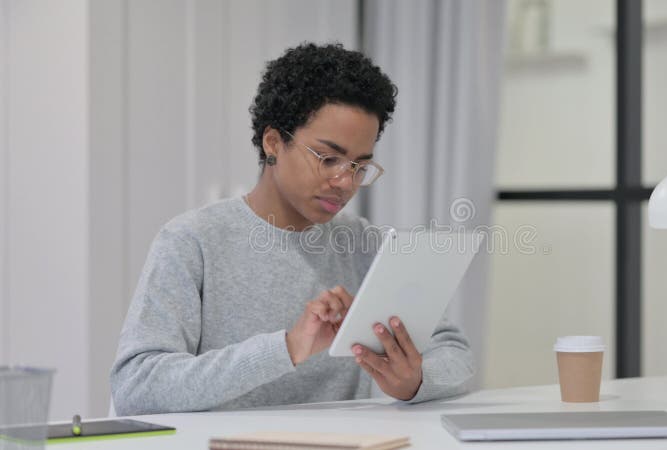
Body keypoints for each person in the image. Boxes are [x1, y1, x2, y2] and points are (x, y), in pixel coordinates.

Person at [110, 42, 474, 416]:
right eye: (328, 158)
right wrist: (287, 348)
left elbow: (455, 354)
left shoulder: (365, 245)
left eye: (358, 166)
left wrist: (414, 380)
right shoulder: (192, 241)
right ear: (273, 143)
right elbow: (135, 386)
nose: (344, 181)